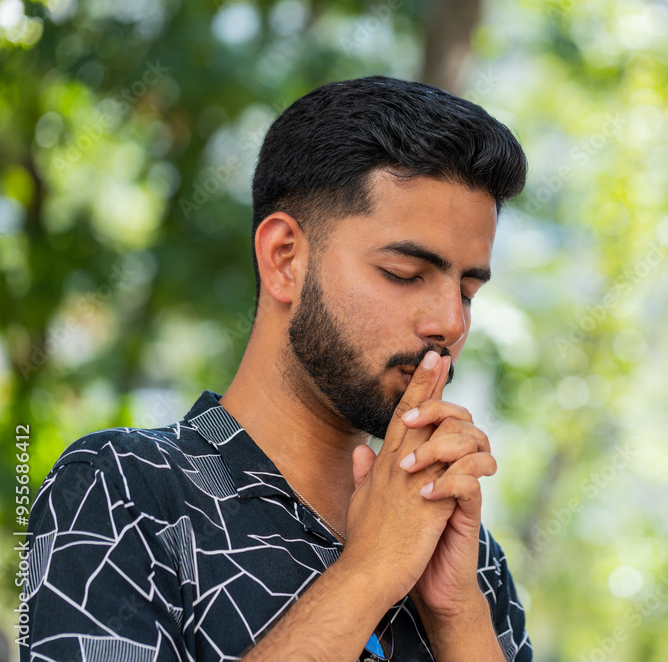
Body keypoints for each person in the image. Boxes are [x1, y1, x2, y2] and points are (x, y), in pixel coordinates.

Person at [22, 75, 532, 661]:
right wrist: (370, 568)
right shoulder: (122, 490)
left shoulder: (470, 558)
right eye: (404, 274)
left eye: (467, 290)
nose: (450, 322)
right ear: (284, 258)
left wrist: (458, 614)